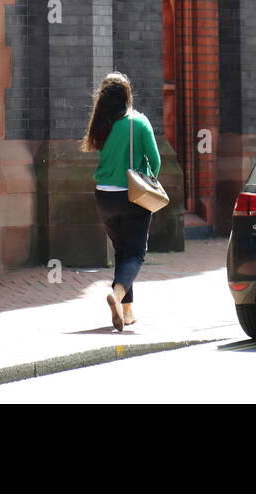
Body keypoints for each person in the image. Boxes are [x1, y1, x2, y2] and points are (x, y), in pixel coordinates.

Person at [81, 70, 162, 332]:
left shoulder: (101, 125)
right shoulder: (138, 123)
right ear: (128, 95)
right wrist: (147, 181)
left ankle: (126, 312)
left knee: (121, 251)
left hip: (104, 197)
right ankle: (116, 296)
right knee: (136, 254)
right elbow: (156, 160)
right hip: (131, 196)